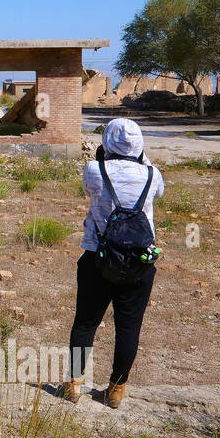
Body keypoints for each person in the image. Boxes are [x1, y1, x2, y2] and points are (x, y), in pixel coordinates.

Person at [61, 118, 164, 409]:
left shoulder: (95, 170)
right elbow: (158, 193)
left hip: (98, 258)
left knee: (85, 322)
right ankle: (116, 389)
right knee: (129, 328)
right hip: (139, 262)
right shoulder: (152, 174)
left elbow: (88, 189)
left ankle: (74, 384)